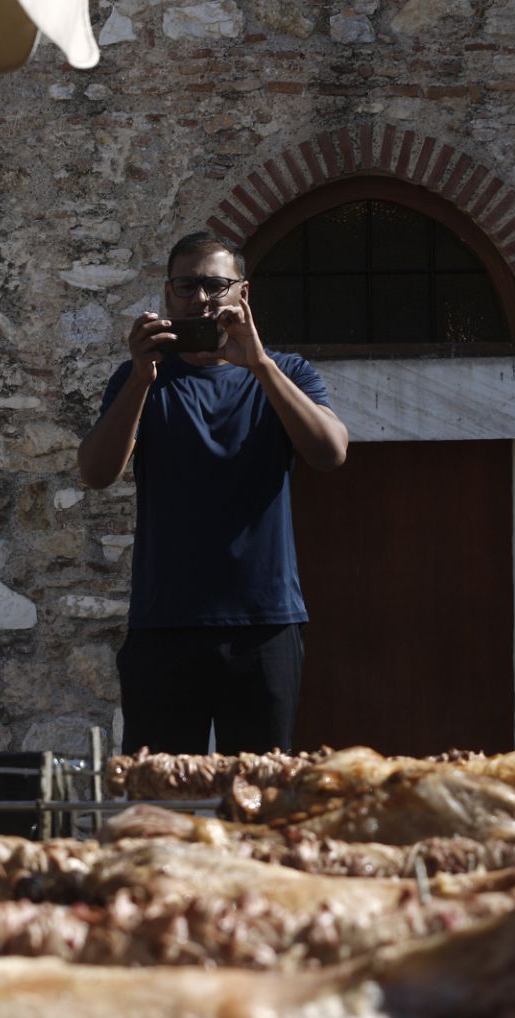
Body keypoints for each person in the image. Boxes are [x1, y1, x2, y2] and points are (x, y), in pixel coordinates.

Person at [77, 229, 349, 755]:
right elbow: (96, 472)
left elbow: (331, 452)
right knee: (159, 796)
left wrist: (260, 364)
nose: (200, 299)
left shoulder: (288, 372)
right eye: (186, 286)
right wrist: (139, 378)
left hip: (264, 621)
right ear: (166, 294)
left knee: (260, 796)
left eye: (215, 286)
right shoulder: (141, 378)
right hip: (165, 621)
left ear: (241, 295)